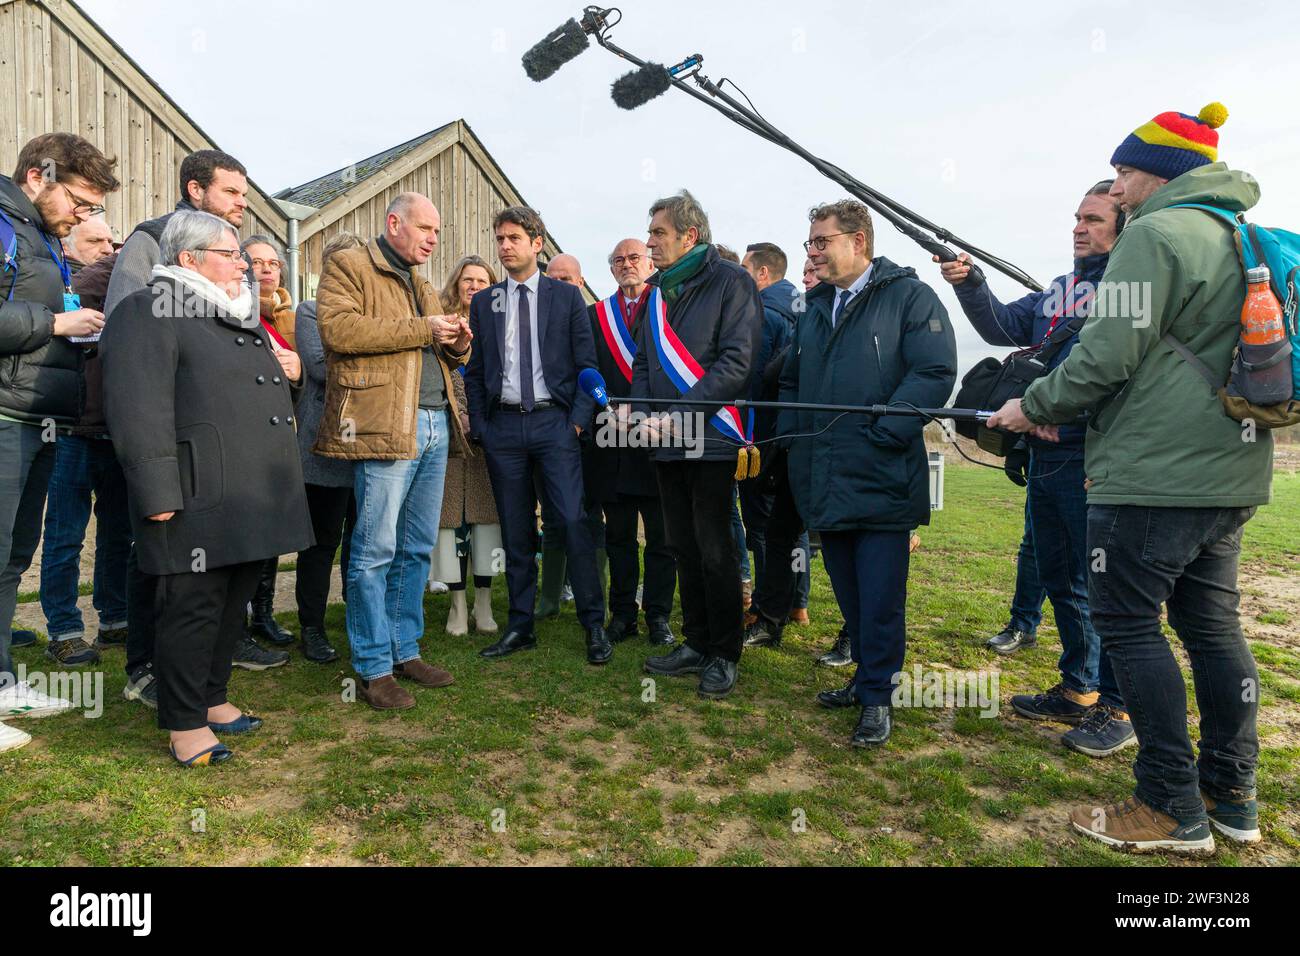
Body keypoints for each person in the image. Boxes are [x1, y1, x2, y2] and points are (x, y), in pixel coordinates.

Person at [991, 103, 1272, 854]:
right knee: (1214, 631)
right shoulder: (1233, 232)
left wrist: (1031, 405)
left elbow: (1106, 353)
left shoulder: (1155, 235)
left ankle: (1167, 806)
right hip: (1229, 469)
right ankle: (1230, 796)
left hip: (1152, 473)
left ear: (1163, 171)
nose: (1116, 189)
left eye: (1123, 172)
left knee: (1128, 627)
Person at [100, 210, 313, 765]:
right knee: (191, 606)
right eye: (230, 253)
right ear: (188, 259)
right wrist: (157, 493)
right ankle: (185, 722)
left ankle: (213, 697)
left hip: (248, 491)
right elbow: (135, 410)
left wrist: (295, 378)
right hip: (195, 490)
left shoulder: (234, 315)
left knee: (232, 600)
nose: (243, 263)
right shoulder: (149, 310)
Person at [937, 181, 1133, 759]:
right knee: (1059, 578)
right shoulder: (1061, 290)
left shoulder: (1130, 290)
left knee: (1107, 588)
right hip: (1043, 458)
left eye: (1094, 219)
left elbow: (1114, 372)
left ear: (1124, 228)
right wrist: (972, 284)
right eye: (1076, 217)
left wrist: (1057, 412)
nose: (1079, 228)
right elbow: (1000, 326)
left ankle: (1119, 707)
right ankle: (1079, 687)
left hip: (1092, 459)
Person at [106, 149, 287, 701]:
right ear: (194, 190)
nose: (243, 204)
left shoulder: (230, 296)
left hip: (233, 473)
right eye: (232, 193)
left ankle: (211, 683)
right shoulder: (149, 258)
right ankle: (148, 669)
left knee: (221, 589)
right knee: (170, 579)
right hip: (184, 466)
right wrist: (155, 482)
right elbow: (136, 372)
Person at [782, 200, 956, 747]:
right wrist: (793, 438)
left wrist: (886, 432)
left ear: (857, 241)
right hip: (825, 474)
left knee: (881, 598)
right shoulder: (814, 308)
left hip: (881, 474)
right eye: (810, 242)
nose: (811, 252)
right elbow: (792, 380)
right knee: (851, 593)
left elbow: (933, 371)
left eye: (820, 242)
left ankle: (879, 699)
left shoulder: (910, 297)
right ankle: (864, 680)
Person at [316, 192, 470, 710]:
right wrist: (424, 328)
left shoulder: (422, 283)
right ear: (394, 222)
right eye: (425, 228)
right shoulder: (351, 264)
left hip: (432, 424)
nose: (432, 239)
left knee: (417, 547)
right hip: (384, 424)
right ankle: (372, 667)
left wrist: (457, 339)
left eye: (437, 231)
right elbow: (338, 331)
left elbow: (437, 346)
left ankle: (405, 650)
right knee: (374, 549)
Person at [1, 133, 120, 736]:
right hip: (5, 416)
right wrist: (56, 321)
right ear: (36, 176)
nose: (84, 215)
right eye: (80, 200)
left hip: (38, 416)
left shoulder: (42, 238)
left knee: (13, 557)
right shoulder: (4, 228)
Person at [464, 206, 610, 665]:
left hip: (555, 425)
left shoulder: (566, 299)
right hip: (503, 428)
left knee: (570, 521)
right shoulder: (484, 302)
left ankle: (593, 624)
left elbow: (588, 366)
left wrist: (577, 421)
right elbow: (476, 370)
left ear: (536, 242)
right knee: (516, 530)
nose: (505, 246)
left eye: (514, 238)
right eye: (500, 238)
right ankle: (520, 626)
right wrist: (483, 426)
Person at [633, 190, 762, 700]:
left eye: (658, 233)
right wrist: (644, 415)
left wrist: (677, 417)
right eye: (649, 234)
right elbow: (644, 363)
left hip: (711, 437)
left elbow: (737, 362)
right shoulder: (659, 291)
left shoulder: (732, 282)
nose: (650, 243)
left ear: (690, 235)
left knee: (716, 548)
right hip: (664, 440)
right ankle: (697, 641)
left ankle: (725, 652)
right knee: (680, 544)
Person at [587, 238, 676, 646]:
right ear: (611, 269)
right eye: (619, 260)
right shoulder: (595, 315)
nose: (627, 265)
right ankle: (622, 613)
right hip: (612, 436)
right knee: (619, 535)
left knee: (662, 536)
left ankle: (658, 615)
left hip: (661, 433)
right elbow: (586, 370)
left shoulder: (670, 306)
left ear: (649, 262)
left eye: (634, 257)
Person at [292, 232, 367, 664]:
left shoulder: (373, 314)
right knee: (321, 543)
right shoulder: (310, 311)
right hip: (324, 448)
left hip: (370, 446)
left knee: (364, 541)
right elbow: (321, 368)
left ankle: (358, 619)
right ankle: (312, 628)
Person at [739, 241, 813, 649]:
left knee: (764, 528)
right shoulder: (802, 308)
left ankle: (767, 606)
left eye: (746, 270)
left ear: (763, 274)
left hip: (763, 436)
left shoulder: (764, 313)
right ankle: (797, 602)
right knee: (790, 523)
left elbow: (756, 379)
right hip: (794, 433)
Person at [431, 255, 502, 637]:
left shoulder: (501, 324)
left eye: (481, 280)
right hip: (448, 440)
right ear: (456, 284)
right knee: (450, 525)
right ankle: (457, 604)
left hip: (491, 440)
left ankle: (484, 603)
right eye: (467, 280)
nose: (474, 286)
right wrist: (454, 414)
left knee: (487, 523)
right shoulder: (440, 324)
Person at [240, 234, 302, 652]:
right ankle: (237, 621)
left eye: (272, 263)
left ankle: (263, 613)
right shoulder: (234, 314)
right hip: (245, 438)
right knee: (244, 533)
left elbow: (306, 385)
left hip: (283, 440)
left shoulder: (291, 320)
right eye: (256, 262)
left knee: (272, 533)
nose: (266, 269)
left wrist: (297, 370)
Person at [533, 251, 590, 618]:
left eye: (566, 279)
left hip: (592, 433)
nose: (558, 285)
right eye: (552, 278)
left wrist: (578, 422)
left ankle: (591, 595)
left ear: (580, 283)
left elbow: (591, 372)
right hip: (549, 433)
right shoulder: (536, 321)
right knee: (554, 517)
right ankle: (550, 596)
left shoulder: (596, 318)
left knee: (587, 517)